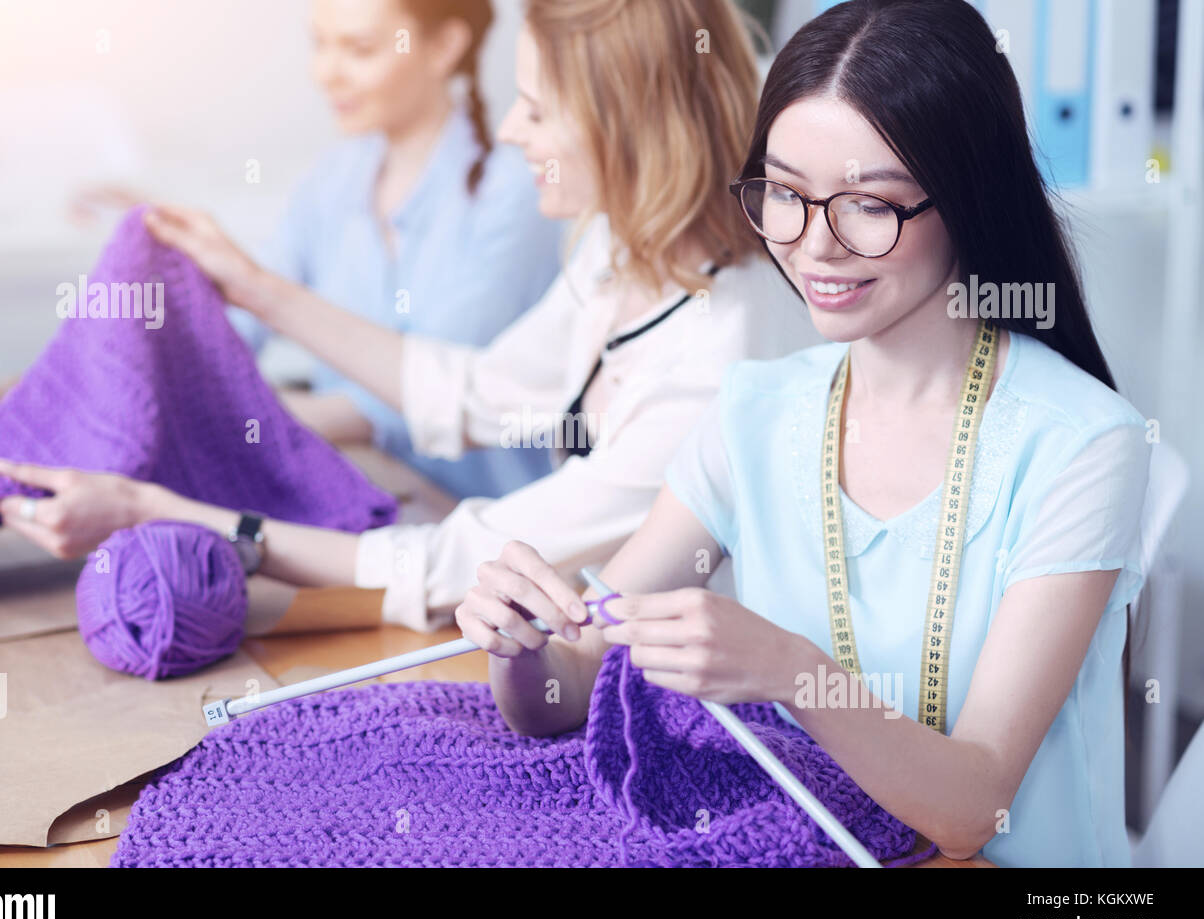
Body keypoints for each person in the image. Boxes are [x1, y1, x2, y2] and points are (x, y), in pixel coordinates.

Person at [454, 0, 1152, 868]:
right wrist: (518, 645)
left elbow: (974, 808)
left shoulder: (1084, 446)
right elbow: (571, 684)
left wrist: (788, 669)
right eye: (784, 194)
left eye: (865, 205)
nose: (813, 246)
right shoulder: (755, 414)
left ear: (970, 195)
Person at [0, 0, 822, 633]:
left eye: (535, 108)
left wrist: (148, 506)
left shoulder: (719, 357)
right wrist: (249, 284)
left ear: (626, 128)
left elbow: (455, 561)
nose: (510, 128)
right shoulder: (621, 250)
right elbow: (473, 390)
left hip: (678, 694)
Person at [85, 0, 564, 501]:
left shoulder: (516, 192)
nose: (326, 74)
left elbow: (429, 395)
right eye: (320, 44)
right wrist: (120, 372)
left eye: (359, 49)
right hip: (370, 493)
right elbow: (240, 319)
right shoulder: (334, 179)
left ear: (444, 46)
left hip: (492, 524)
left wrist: (215, 416)